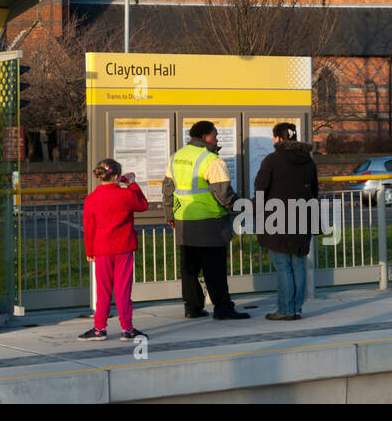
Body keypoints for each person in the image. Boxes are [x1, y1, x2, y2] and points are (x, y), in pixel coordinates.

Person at [162, 121, 249, 320]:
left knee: (189, 268)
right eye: (214, 136)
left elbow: (168, 190)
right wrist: (242, 208)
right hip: (209, 221)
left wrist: (170, 215)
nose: (216, 139)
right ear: (204, 137)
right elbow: (223, 194)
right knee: (214, 268)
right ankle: (222, 308)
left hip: (184, 219)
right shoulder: (212, 160)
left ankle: (192, 307)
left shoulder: (176, 157)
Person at [254, 122, 320, 321]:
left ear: (278, 138)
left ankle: (285, 309)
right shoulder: (308, 161)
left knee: (283, 265)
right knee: (298, 264)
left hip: (278, 219)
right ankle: (297, 308)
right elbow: (314, 190)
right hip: (303, 216)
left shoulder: (272, 160)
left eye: (274, 136)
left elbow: (260, 188)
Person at [80, 158, 148, 340]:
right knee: (123, 290)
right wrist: (132, 184)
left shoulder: (92, 199)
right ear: (117, 176)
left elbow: (89, 227)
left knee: (103, 291)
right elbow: (143, 205)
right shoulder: (126, 195)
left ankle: (99, 328)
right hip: (123, 248)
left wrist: (89, 251)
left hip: (102, 250)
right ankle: (127, 329)